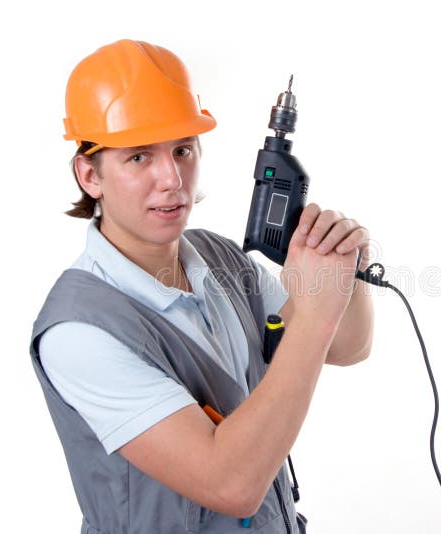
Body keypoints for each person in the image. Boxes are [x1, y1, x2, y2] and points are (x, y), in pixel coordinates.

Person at [30, 39, 374, 534]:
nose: (172, 178)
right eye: (139, 157)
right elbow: (231, 485)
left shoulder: (220, 259)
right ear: (90, 175)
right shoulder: (79, 332)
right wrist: (315, 317)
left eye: (183, 150)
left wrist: (348, 265)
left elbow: (347, 346)